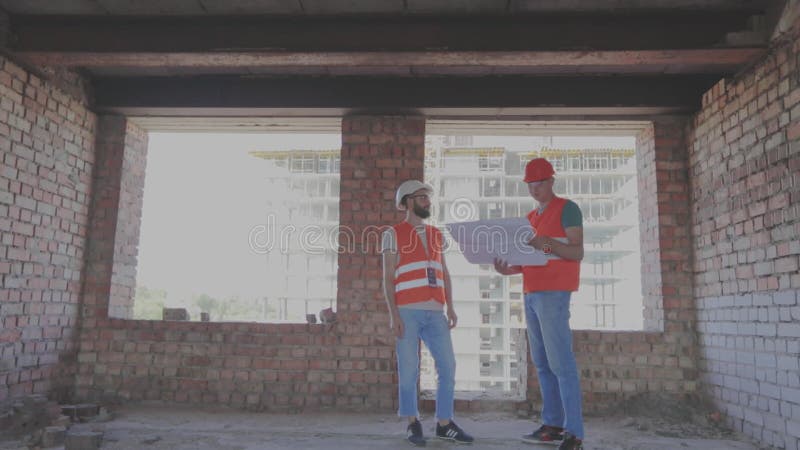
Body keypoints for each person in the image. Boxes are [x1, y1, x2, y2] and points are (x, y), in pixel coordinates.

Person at [493, 158, 585, 450]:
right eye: (530, 184)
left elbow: (576, 251)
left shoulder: (567, 208)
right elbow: (529, 260)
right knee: (543, 363)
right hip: (531, 294)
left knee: (561, 363)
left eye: (540, 182)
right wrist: (507, 269)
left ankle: (575, 433)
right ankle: (553, 424)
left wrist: (544, 244)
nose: (534, 188)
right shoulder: (529, 218)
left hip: (554, 294)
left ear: (551, 181)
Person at [381, 179, 474, 447]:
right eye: (422, 198)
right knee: (409, 370)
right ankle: (412, 422)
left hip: (436, 311)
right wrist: (394, 315)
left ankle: (444, 424)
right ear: (408, 202)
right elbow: (388, 278)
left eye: (428, 198)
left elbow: (444, 271)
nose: (428, 202)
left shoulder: (435, 234)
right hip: (407, 311)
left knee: (448, 366)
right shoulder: (392, 233)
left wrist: (452, 306)